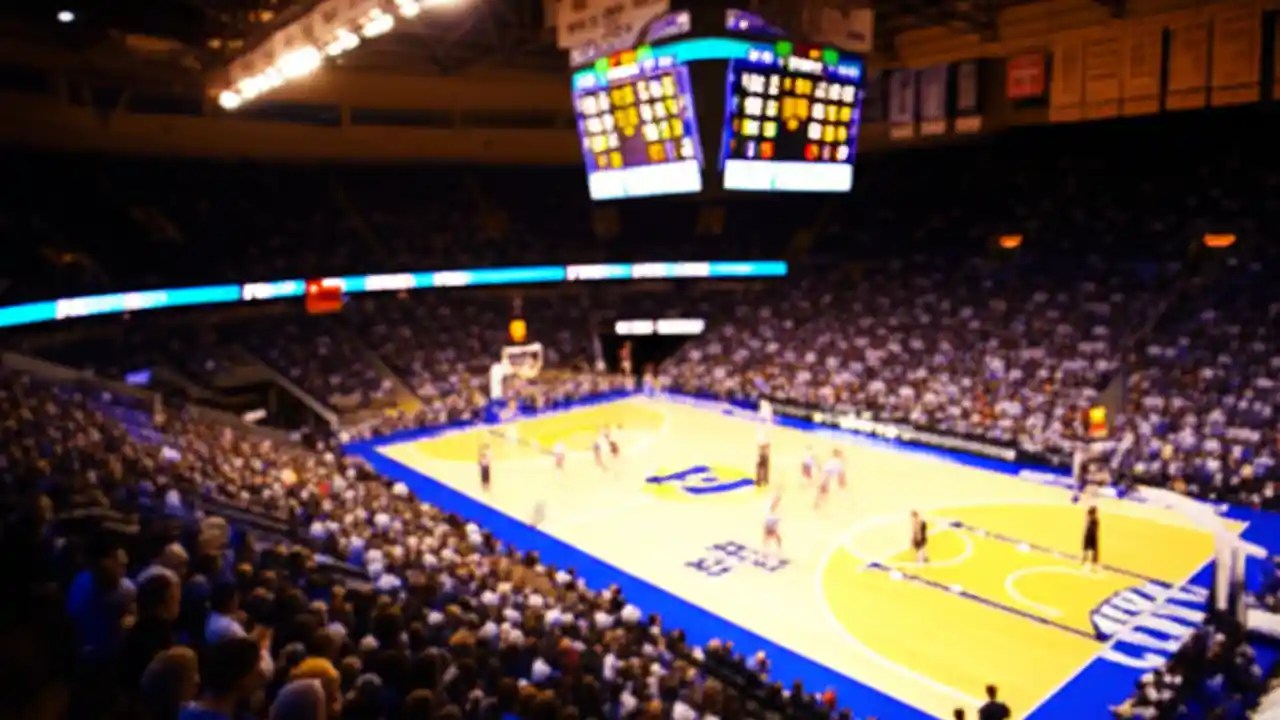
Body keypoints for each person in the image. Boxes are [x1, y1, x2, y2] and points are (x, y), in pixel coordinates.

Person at [1083, 505, 1100, 572]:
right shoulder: (1094, 520)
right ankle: (1090, 561)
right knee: (1091, 549)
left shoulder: (1093, 520)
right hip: (1092, 535)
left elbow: (1094, 529)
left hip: (1091, 535)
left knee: (1089, 549)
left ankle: (1090, 561)